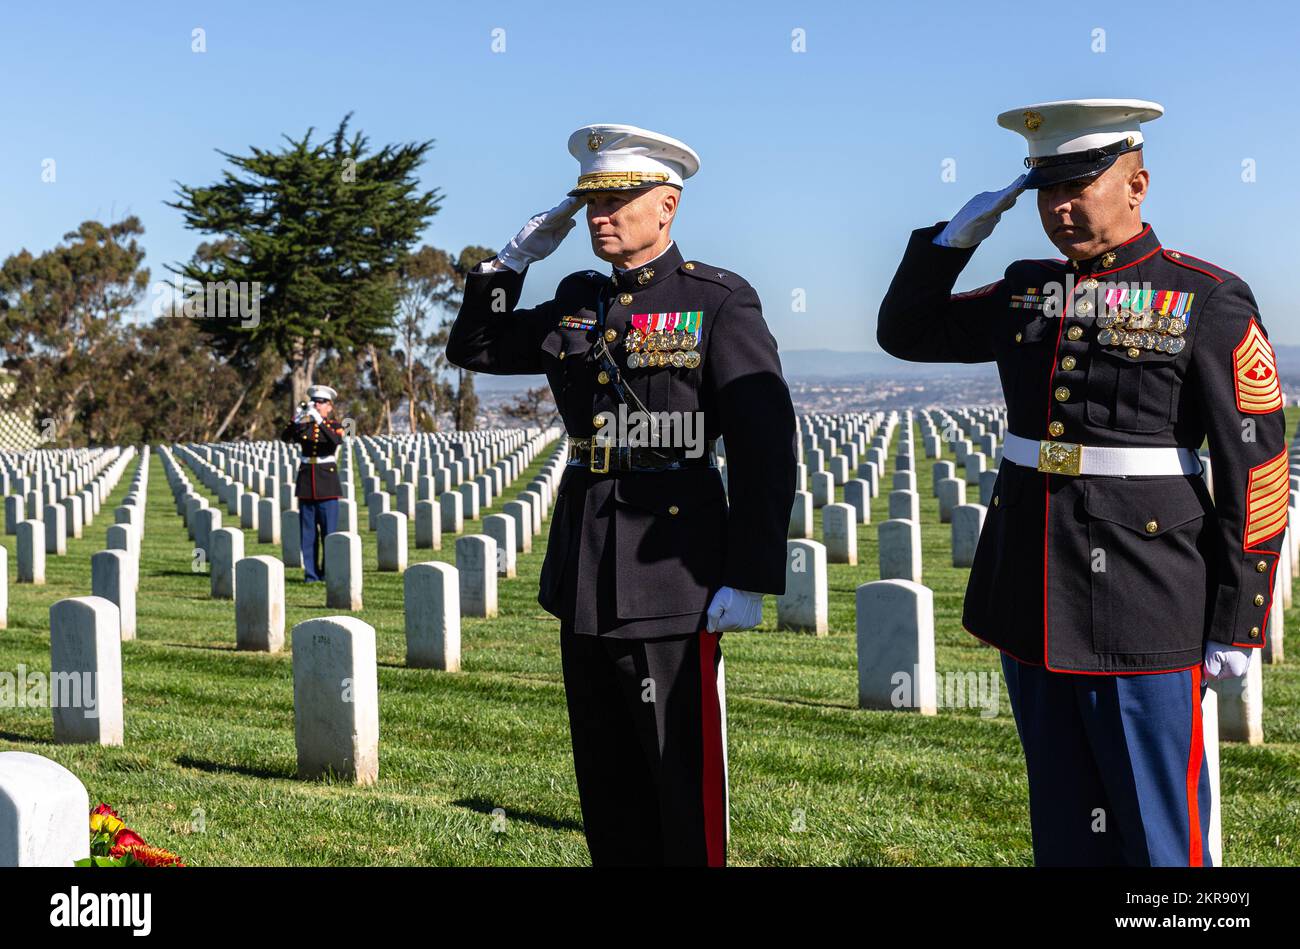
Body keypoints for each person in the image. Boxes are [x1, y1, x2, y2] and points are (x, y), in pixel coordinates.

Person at [877, 99, 1285, 866]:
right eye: (1044, 191)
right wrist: (951, 242)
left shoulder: (1205, 295)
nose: (1058, 208)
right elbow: (906, 332)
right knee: (1066, 830)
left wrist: (1239, 618)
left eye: (1079, 186)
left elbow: (1255, 463)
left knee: (1159, 837)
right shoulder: (1027, 287)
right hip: (1032, 591)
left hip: (1146, 599)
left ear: (1137, 185)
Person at [446, 124, 797, 866]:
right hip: (585, 561)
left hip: (676, 568)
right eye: (591, 202)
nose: (601, 216)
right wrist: (509, 263)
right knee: (607, 786)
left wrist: (750, 572)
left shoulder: (717, 300)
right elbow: (475, 349)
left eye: (619, 200)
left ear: (666, 206)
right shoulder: (578, 299)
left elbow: (766, 447)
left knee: (679, 778)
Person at [280, 384, 346, 582]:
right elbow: (286, 437)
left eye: (322, 402)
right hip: (307, 484)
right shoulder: (305, 426)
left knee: (329, 533)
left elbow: (335, 441)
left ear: (330, 406)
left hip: (327, 485)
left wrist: (319, 421)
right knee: (307, 534)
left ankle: (328, 572)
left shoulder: (335, 426)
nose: (318, 405)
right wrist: (298, 416)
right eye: (316, 402)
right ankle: (311, 574)